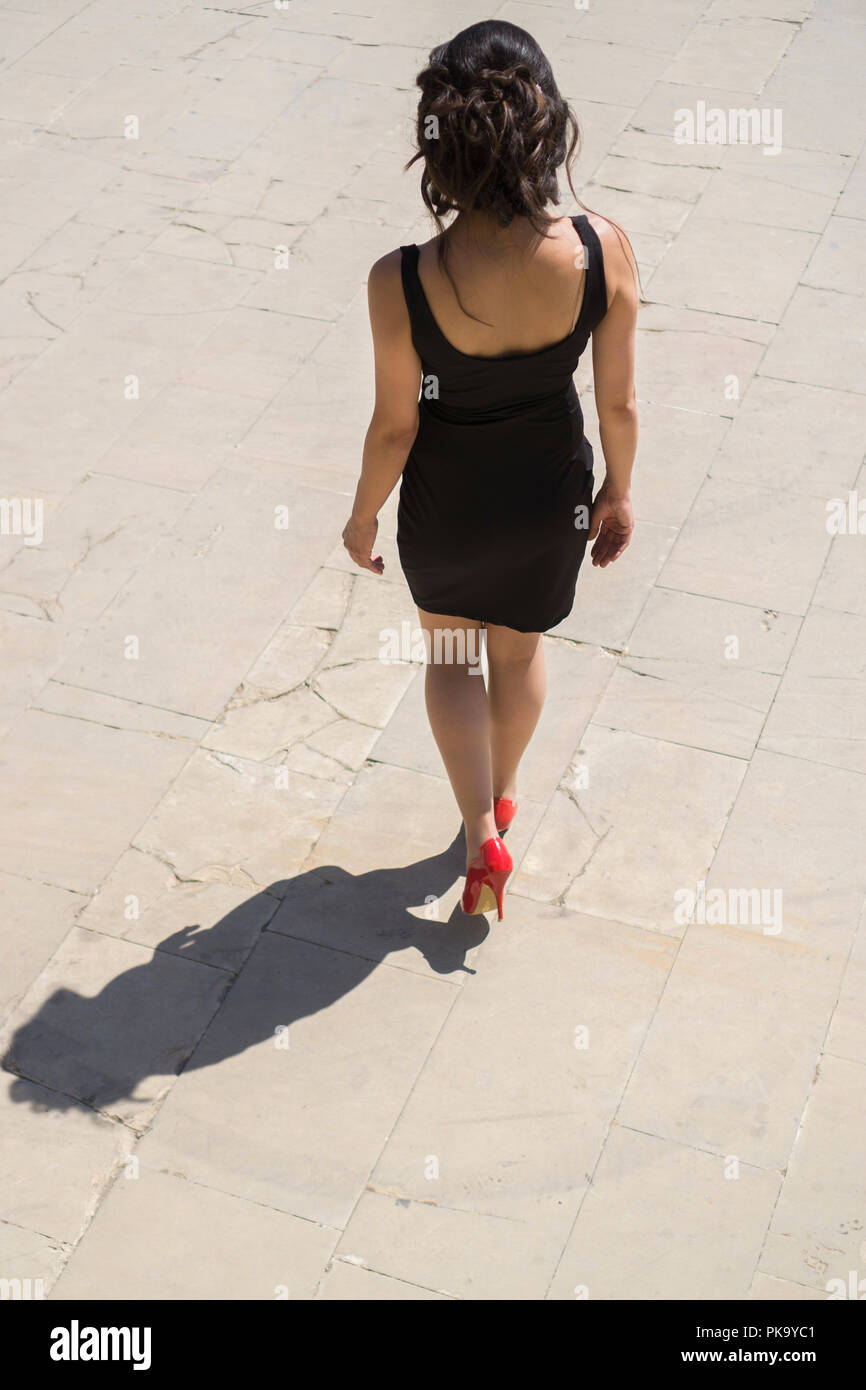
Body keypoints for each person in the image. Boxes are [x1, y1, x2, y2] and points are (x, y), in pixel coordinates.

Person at [342, 19, 638, 922]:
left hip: (447, 508)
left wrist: (361, 520)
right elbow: (619, 403)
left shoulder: (399, 279)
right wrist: (617, 492)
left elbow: (395, 428)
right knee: (519, 653)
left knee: (452, 657)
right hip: (551, 500)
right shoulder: (601, 250)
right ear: (547, 125)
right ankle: (503, 798)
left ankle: (478, 828)